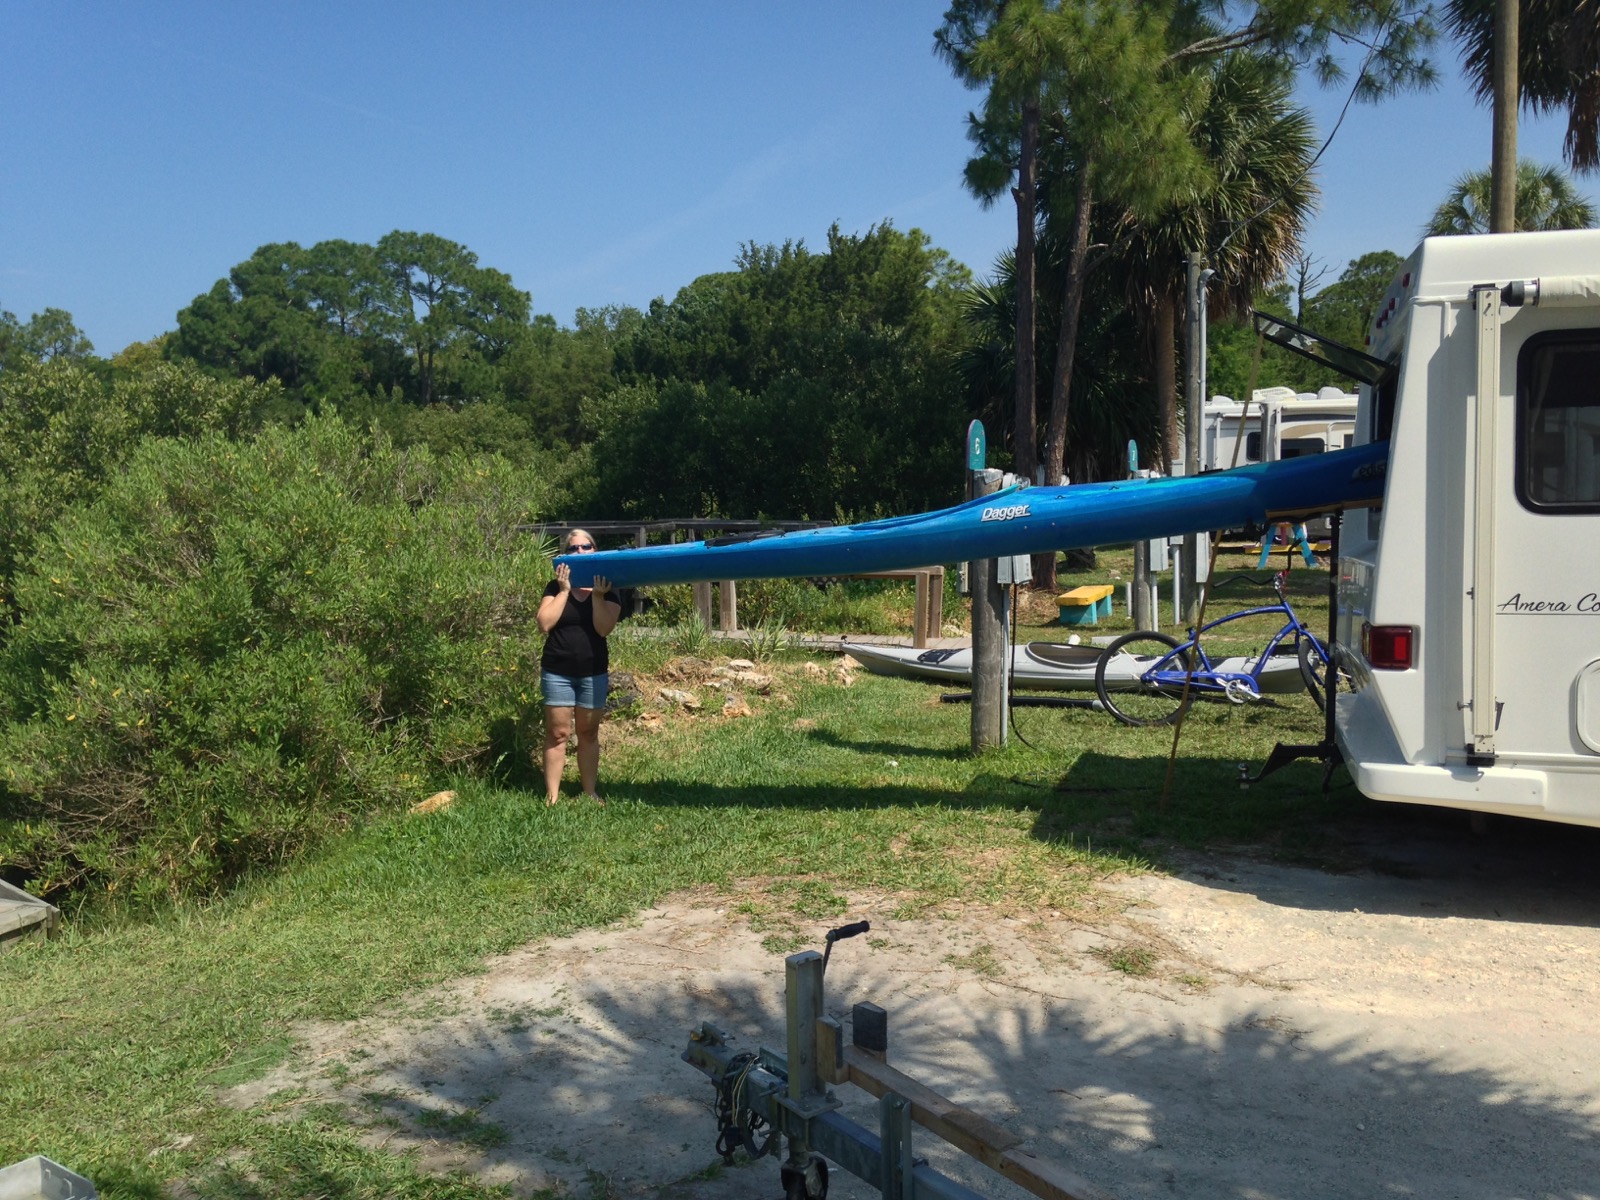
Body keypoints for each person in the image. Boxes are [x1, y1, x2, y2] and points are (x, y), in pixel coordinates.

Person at [536, 529, 622, 806]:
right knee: (557, 734)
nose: (581, 552)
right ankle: (552, 796)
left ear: (595, 551)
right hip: (557, 671)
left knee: (587, 733)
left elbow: (603, 628)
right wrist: (563, 591)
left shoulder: (609, 588)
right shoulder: (554, 587)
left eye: (586, 547)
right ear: (565, 555)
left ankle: (589, 791)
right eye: (574, 549)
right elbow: (544, 623)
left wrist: (597, 597)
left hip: (593, 672)